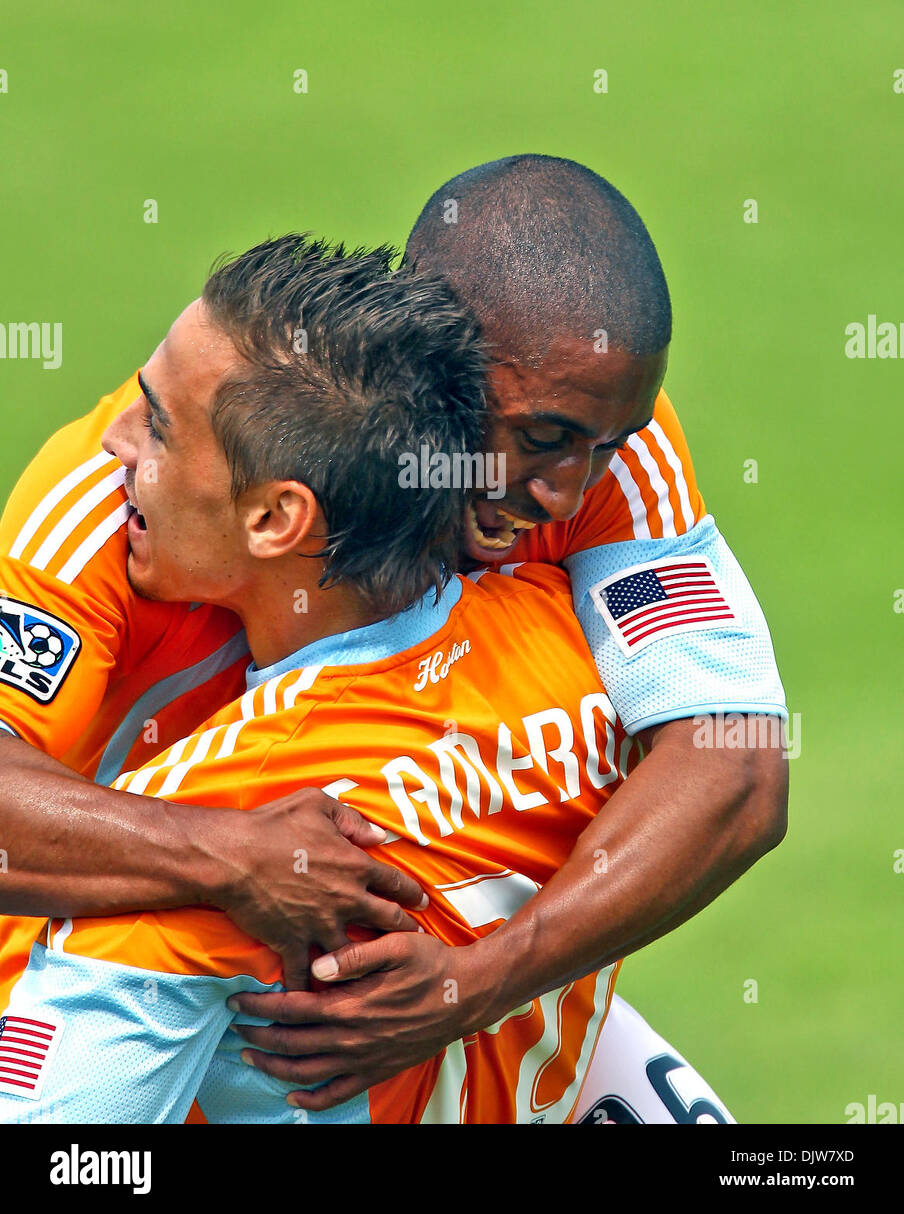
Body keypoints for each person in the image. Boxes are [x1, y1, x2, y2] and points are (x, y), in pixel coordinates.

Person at [0, 158, 787, 1115]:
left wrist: (486, 979)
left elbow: (735, 766)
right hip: (148, 976)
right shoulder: (137, 493)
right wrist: (232, 856)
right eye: (538, 436)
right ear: (437, 363)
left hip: (438, 980)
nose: (570, 495)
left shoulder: (596, 436)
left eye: (604, 447)